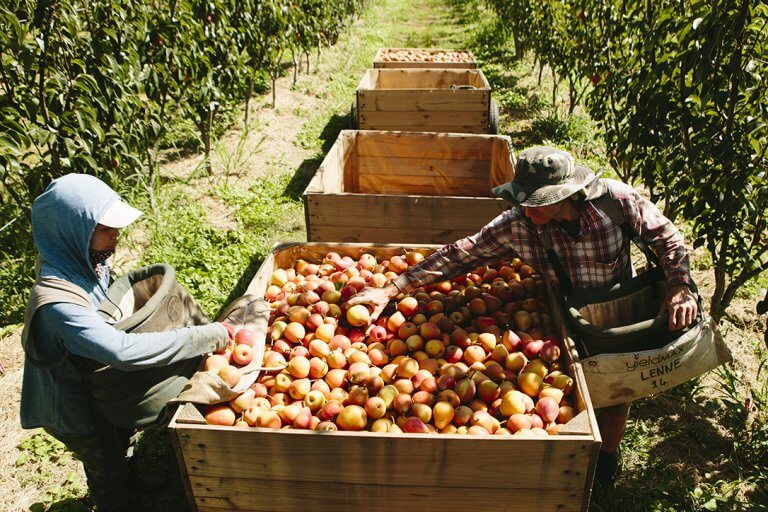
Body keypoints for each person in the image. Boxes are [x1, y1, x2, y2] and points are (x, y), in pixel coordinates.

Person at [348, 146, 698, 486]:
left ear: (568, 194)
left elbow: (667, 236)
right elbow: (461, 255)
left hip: (616, 310)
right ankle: (572, 464)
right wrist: (393, 287)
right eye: (524, 202)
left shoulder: (614, 202)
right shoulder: (518, 224)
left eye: (538, 204)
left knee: (617, 398)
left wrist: (679, 284)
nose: (528, 212)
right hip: (561, 313)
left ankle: (607, 458)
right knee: (579, 395)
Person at [20, 174, 234, 512]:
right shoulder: (58, 304)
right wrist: (204, 335)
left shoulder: (80, 258)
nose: (116, 236)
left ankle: (131, 477)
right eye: (106, 229)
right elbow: (122, 351)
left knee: (121, 437)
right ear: (72, 232)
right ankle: (116, 499)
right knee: (103, 460)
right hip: (74, 403)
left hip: (98, 383)